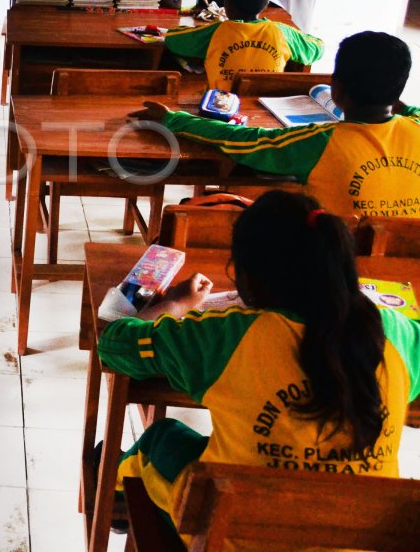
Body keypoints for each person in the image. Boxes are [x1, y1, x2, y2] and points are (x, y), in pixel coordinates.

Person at [100, 190, 420, 541]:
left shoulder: (225, 336)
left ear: (250, 278)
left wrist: (175, 304)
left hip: (235, 534)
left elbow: (115, 345)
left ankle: (116, 498)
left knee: (161, 439)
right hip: (365, 539)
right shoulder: (395, 333)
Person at [131, 31, 420, 219]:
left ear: (337, 89)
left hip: (331, 266)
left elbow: (244, 140)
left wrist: (174, 119)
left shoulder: (320, 141)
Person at [162, 0, 324, 91]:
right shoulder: (283, 33)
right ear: (266, 3)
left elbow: (173, 39)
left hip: (219, 110)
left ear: (226, 3)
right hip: (264, 107)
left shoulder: (215, 32)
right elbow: (317, 48)